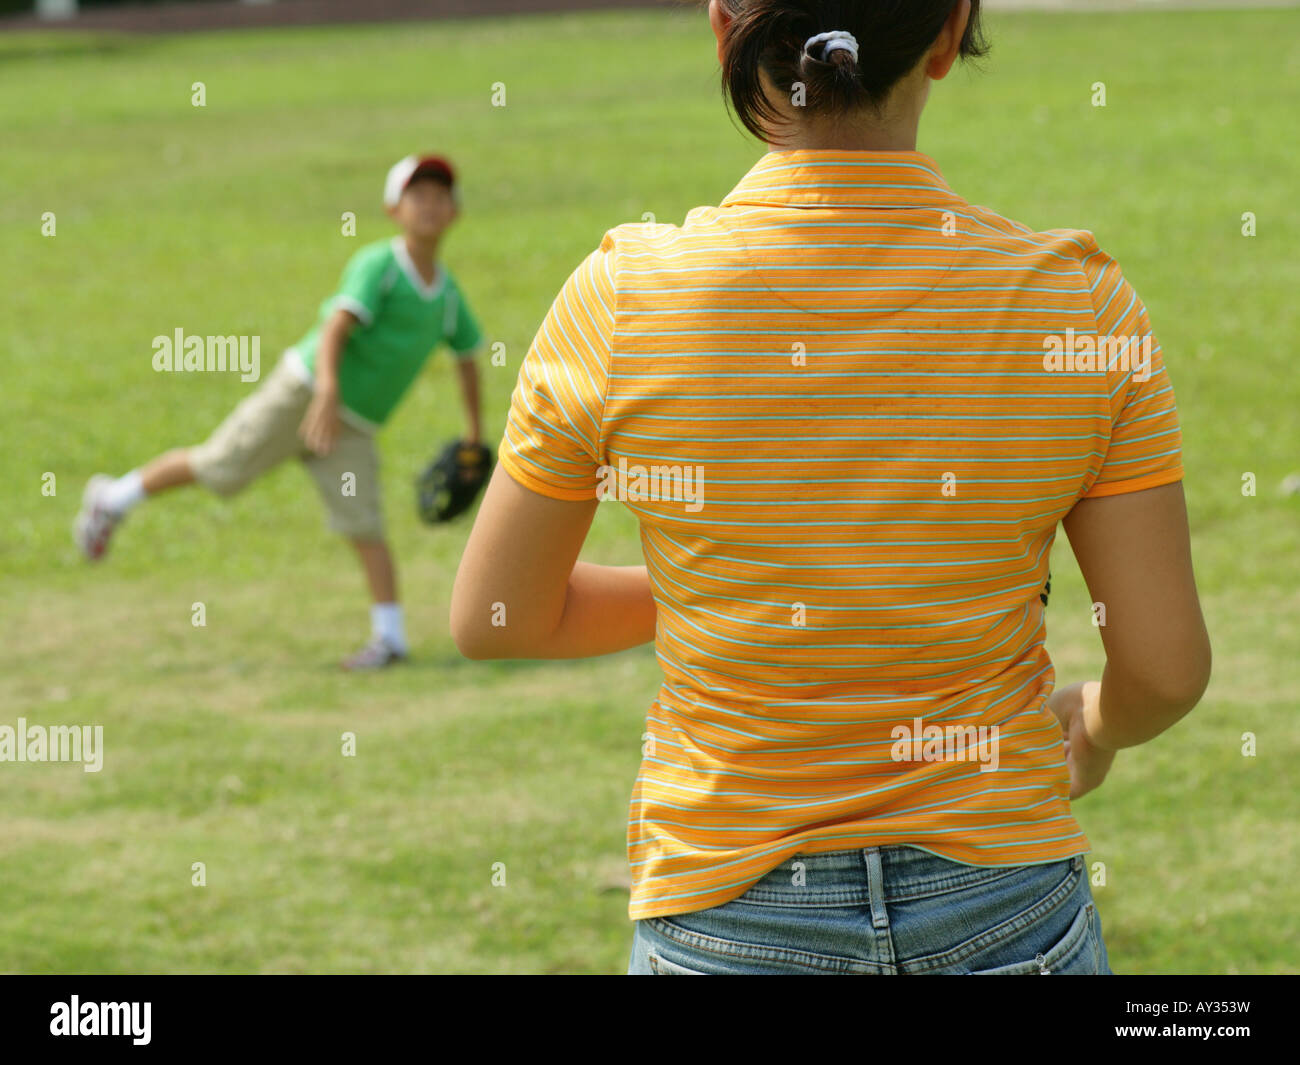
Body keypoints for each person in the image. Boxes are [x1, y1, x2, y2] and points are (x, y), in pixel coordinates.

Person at [449, 0, 1211, 974]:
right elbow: (1164, 669)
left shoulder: (622, 298)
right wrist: (1096, 725)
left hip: (726, 912)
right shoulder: (1078, 303)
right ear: (948, 34)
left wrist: (727, 596)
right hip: (1003, 899)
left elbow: (499, 616)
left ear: (727, 30)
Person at [74, 154, 486, 670]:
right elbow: (337, 327)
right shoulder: (380, 266)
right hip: (303, 393)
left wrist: (474, 435)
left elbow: (467, 356)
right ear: (392, 208)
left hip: (351, 427)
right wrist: (326, 393)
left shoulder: (446, 296)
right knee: (218, 468)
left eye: (440, 197)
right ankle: (112, 498)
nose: (430, 206)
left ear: (456, 212)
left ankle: (390, 640)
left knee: (365, 523)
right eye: (417, 195)